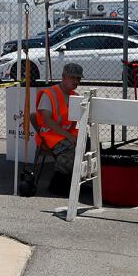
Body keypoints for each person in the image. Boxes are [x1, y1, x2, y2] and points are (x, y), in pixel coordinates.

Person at [34, 62, 83, 193]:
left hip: (65, 133)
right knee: (70, 147)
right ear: (63, 77)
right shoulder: (49, 94)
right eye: (73, 77)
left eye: (78, 78)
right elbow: (47, 120)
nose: (76, 81)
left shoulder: (76, 97)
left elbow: (76, 121)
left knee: (87, 144)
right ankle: (58, 184)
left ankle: (77, 182)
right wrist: (69, 136)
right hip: (49, 135)